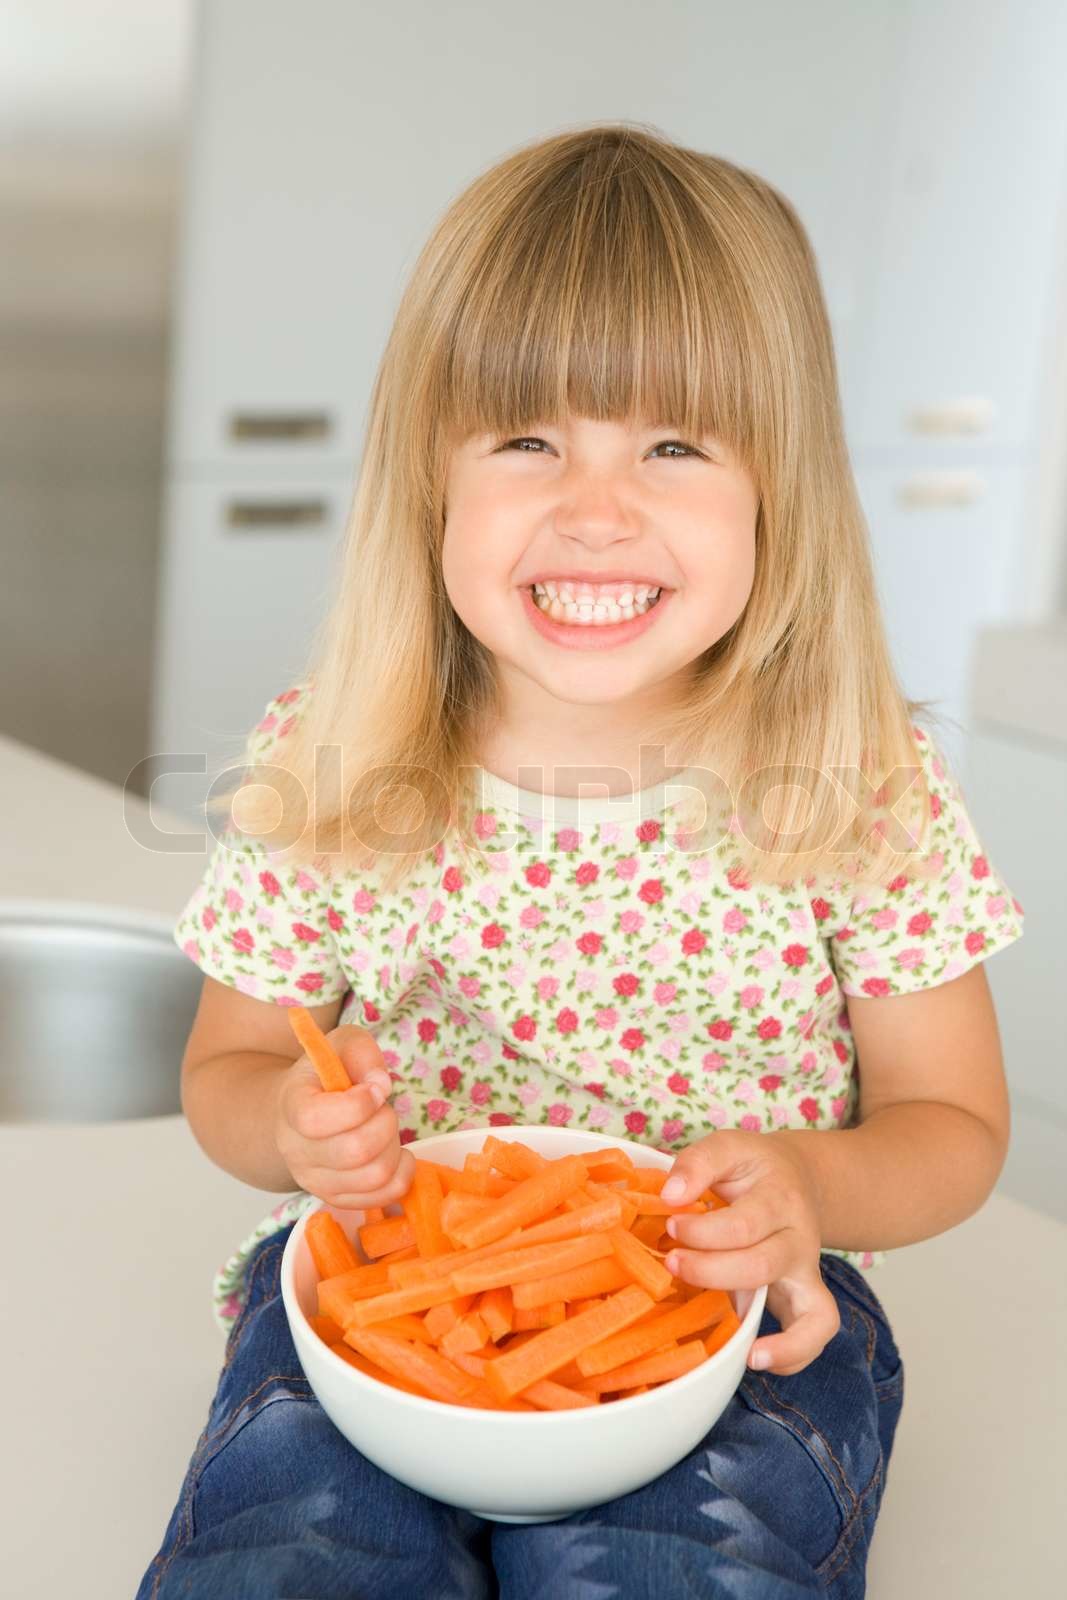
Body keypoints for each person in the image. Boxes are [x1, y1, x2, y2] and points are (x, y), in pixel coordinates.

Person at [136, 122, 1025, 1600]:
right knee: (289, 1548)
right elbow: (226, 1072)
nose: (596, 510)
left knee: (681, 1566)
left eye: (675, 445)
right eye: (528, 440)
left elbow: (953, 1123)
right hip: (387, 1307)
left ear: (778, 491)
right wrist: (296, 1128)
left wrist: (806, 1182)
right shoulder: (335, 749)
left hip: (737, 1320)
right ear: (432, 478)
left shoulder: (860, 779)